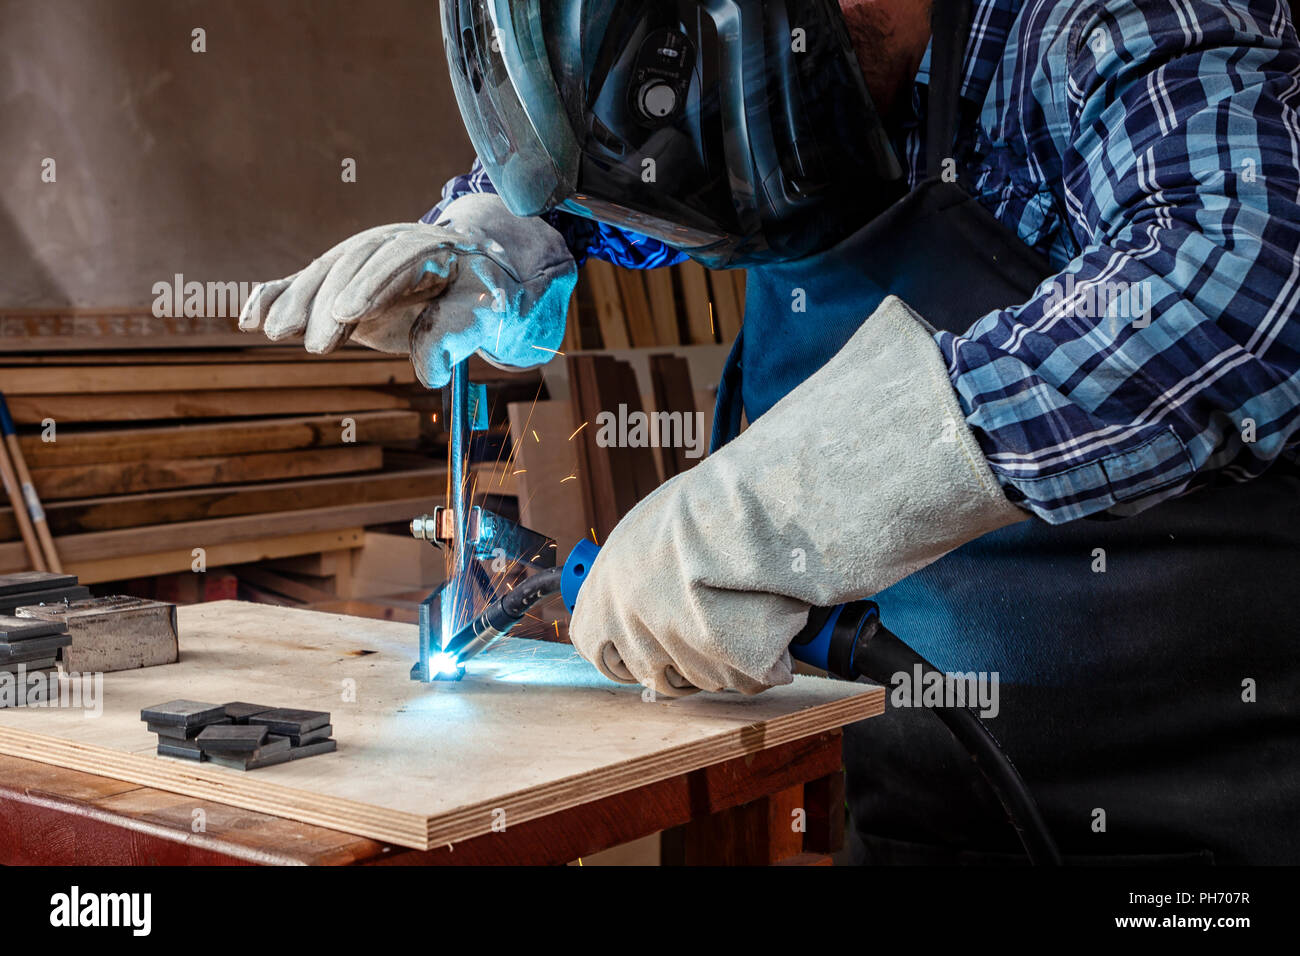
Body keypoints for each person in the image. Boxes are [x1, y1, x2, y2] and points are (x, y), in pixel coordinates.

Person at [241, 0, 1300, 864]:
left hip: (1219, 813)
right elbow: (670, 148)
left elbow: (1238, 283)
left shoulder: (1107, 23)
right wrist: (500, 230)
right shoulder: (776, 94)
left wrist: (790, 502)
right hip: (923, 783)